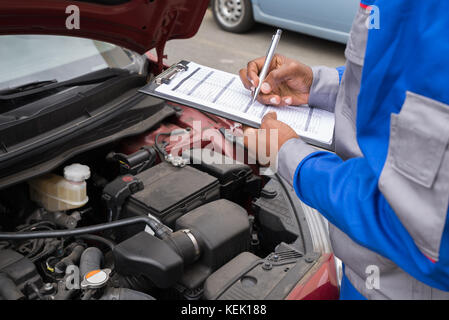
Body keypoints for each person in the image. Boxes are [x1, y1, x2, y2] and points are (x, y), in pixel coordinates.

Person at [239, 0, 449, 299]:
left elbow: (427, 237)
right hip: (361, 272)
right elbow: (393, 87)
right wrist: (317, 85)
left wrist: (293, 158)